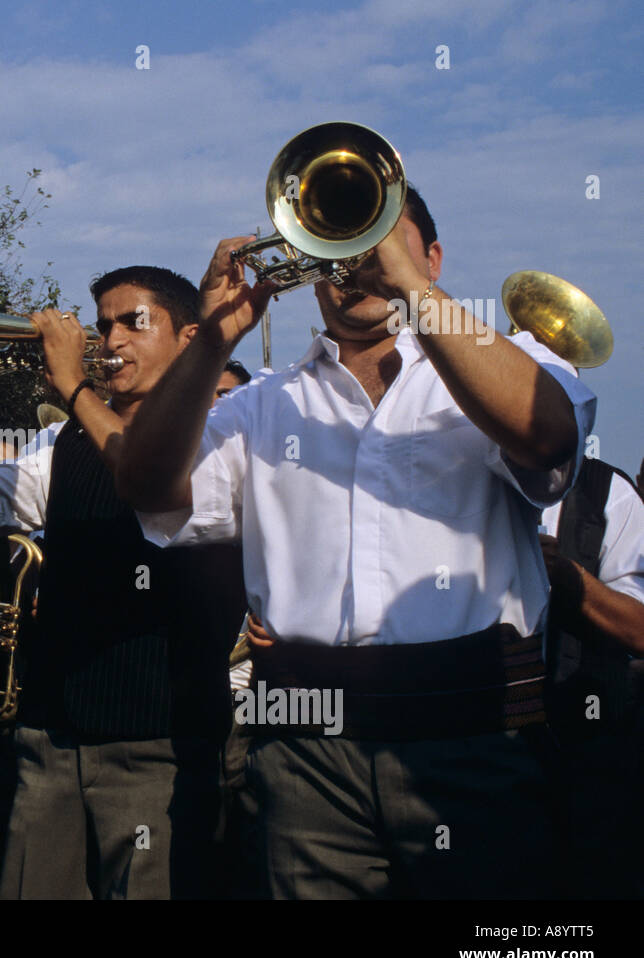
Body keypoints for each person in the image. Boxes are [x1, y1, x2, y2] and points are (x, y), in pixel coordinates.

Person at [115, 184, 597, 898]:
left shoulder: (510, 356)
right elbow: (149, 488)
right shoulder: (260, 402)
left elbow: (544, 432)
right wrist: (212, 339)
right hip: (304, 756)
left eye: (381, 238)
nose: (356, 261)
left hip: (475, 742)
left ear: (431, 257)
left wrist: (408, 291)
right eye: (336, 244)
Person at [0, 266, 248, 899]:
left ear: (190, 338)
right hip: (51, 738)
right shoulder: (59, 443)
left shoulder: (219, 435)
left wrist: (74, 383)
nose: (109, 339)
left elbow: (150, 477)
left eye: (132, 323)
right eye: (103, 324)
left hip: (160, 743)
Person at [539, 455, 644, 896]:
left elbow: (638, 628)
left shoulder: (609, 493)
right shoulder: (448, 478)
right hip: (462, 753)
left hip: (589, 760)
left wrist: (564, 575)